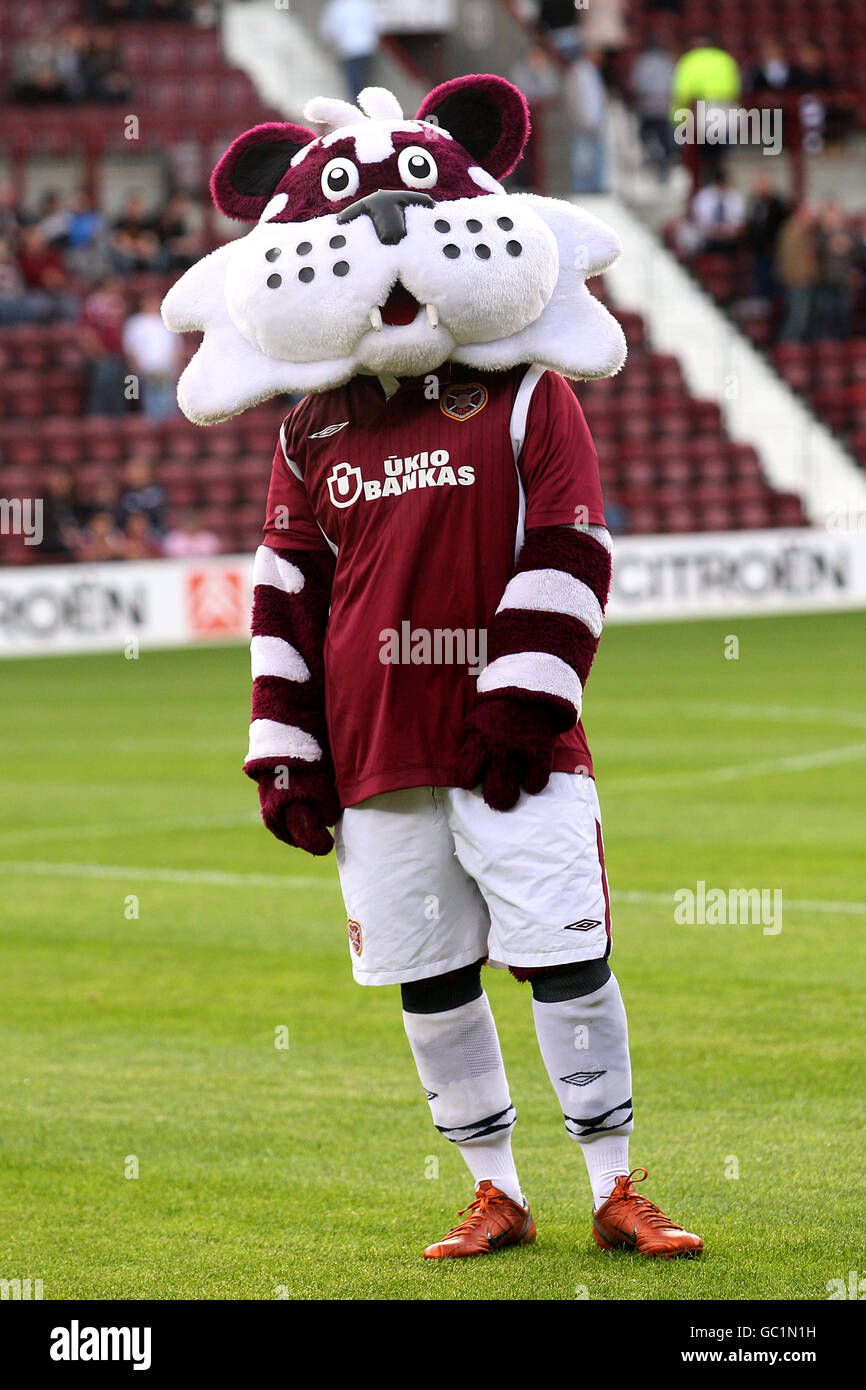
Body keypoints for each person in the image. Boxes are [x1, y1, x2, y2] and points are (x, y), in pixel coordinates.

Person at [163, 75, 703, 1261]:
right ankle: (494, 1189)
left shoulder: (525, 395)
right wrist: (285, 749)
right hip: (372, 753)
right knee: (430, 979)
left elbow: (570, 545)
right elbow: (285, 586)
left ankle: (615, 1184)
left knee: (567, 955)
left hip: (511, 747)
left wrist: (523, 698)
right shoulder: (308, 428)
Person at [122, 293, 180, 419]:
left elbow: (175, 347)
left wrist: (173, 367)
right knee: (148, 402)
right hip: (145, 371)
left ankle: (167, 425)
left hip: (165, 370)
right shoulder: (135, 323)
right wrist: (136, 367)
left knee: (168, 402)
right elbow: (130, 347)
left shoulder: (166, 323)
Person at [79, 276, 128, 416]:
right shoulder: (93, 303)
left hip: (118, 355)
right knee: (101, 389)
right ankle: (97, 419)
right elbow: (86, 331)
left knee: (120, 389)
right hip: (102, 356)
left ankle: (118, 420)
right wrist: (97, 352)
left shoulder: (118, 303)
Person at [564, 47, 609, 194]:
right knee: (580, 156)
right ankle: (580, 186)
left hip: (596, 120)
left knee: (597, 154)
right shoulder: (577, 72)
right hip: (581, 121)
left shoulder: (594, 72)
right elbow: (573, 98)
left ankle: (596, 185)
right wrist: (578, 118)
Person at [630, 38, 676, 178]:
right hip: (663, 109)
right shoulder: (667, 63)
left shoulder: (642, 63)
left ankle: (653, 159)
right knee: (664, 138)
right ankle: (664, 165)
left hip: (647, 108)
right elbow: (674, 84)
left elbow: (636, 85)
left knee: (645, 135)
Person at [319, 0, 380, 103]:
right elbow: (375, 23)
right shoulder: (363, 4)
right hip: (367, 48)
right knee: (366, 83)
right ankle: (368, 110)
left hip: (349, 50)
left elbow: (329, 30)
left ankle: (358, 111)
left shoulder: (337, 6)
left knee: (354, 86)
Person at [813, 203, 857, 340]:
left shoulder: (849, 234)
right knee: (825, 314)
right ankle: (826, 345)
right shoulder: (821, 234)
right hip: (825, 281)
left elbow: (856, 251)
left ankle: (841, 344)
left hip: (843, 282)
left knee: (842, 314)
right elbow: (816, 250)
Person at [775, 204, 818, 342]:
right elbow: (789, 258)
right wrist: (792, 277)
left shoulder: (803, 230)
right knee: (797, 317)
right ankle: (787, 346)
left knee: (801, 316)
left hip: (802, 279)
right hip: (797, 280)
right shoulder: (793, 230)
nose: (812, 218)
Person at [745, 175, 788, 300]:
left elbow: (781, 228)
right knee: (759, 280)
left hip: (772, 252)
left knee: (773, 281)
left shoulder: (776, 205)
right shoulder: (754, 203)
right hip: (757, 251)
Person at [689, 166, 746, 253]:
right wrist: (712, 229)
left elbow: (739, 223)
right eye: (720, 185)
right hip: (707, 237)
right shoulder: (704, 196)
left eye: (724, 185)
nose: (722, 188)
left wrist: (725, 230)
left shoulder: (735, 197)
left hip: (729, 239)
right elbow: (697, 221)